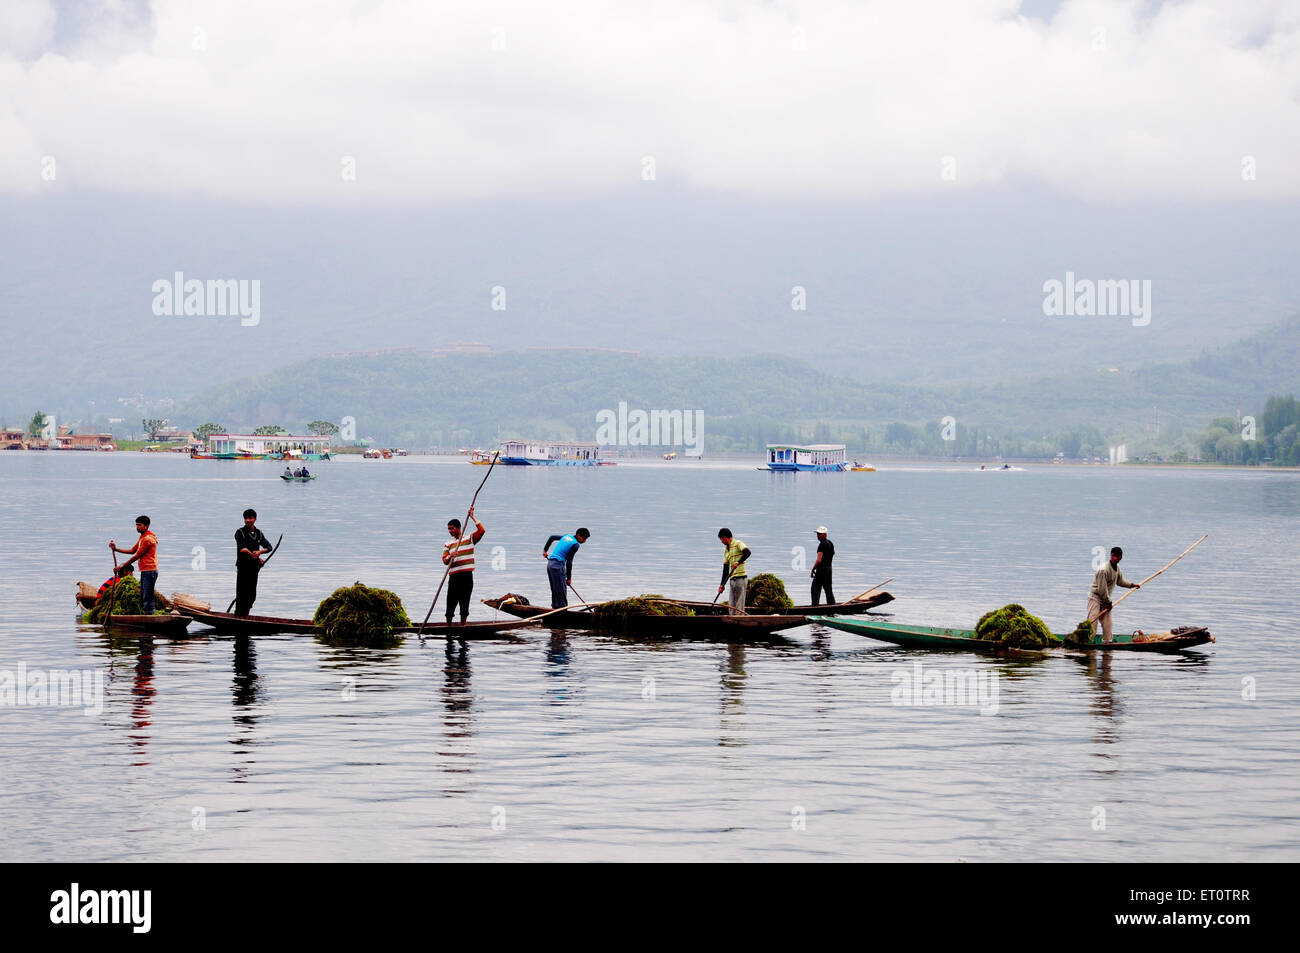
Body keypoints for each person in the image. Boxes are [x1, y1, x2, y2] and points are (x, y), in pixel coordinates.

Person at [1085, 546, 1140, 643]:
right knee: (1092, 624)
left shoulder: (1117, 568)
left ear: (1121, 558)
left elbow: (1119, 581)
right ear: (1110, 555)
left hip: (1106, 600)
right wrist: (1108, 602)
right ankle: (1087, 643)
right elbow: (1102, 589)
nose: (1115, 558)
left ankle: (1107, 644)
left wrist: (1131, 585)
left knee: (1108, 624)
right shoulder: (1103, 570)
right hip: (1096, 598)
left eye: (1117, 556)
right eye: (1113, 556)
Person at [442, 506, 486, 624]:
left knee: (464, 602)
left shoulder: (469, 539)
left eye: (452, 528)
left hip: (466, 577)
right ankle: (448, 626)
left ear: (458, 528)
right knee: (450, 603)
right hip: (454, 578)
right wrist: (450, 557)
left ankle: (463, 626)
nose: (450, 531)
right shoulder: (448, 544)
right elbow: (444, 560)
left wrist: (472, 517)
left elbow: (482, 530)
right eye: (449, 529)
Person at [110, 515, 158, 613]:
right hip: (145, 571)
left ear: (146, 526)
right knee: (145, 594)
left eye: (139, 525)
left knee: (147, 595)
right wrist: (116, 549)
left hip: (150, 570)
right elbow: (132, 550)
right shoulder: (142, 537)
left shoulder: (147, 539)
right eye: (136, 525)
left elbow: (136, 556)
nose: (137, 527)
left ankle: (149, 615)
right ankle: (148, 614)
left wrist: (121, 566)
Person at [234, 508, 273, 616]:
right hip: (243, 567)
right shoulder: (240, 532)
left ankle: (246, 615)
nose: (247, 520)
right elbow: (242, 548)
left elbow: (269, 547)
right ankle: (238, 615)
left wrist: (260, 552)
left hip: (254, 567)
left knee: (251, 594)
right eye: (245, 518)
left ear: (255, 519)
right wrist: (253, 554)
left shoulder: (258, 533)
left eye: (250, 518)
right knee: (241, 593)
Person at [543, 528, 590, 608]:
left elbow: (552, 537)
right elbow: (569, 562)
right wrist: (569, 578)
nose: (584, 541)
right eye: (584, 538)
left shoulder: (566, 536)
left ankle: (555, 608)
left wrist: (545, 550)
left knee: (555, 590)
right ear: (578, 535)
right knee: (561, 591)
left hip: (550, 565)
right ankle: (562, 610)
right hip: (557, 566)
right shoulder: (575, 545)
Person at [716, 528, 751, 615]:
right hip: (732, 580)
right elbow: (725, 569)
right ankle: (732, 619)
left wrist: (738, 562)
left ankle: (740, 620)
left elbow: (747, 552)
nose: (721, 542)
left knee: (739, 605)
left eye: (721, 539)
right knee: (731, 604)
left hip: (741, 579)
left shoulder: (738, 543)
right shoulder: (726, 550)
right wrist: (722, 585)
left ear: (724, 537)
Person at [810, 525, 836, 606]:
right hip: (829, 569)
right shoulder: (830, 543)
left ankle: (815, 607)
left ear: (825, 534)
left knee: (815, 589)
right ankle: (832, 606)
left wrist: (813, 569)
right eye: (817, 534)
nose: (818, 536)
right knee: (828, 589)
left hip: (822, 570)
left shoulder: (822, 545)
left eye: (819, 534)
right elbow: (833, 552)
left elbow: (819, 560)